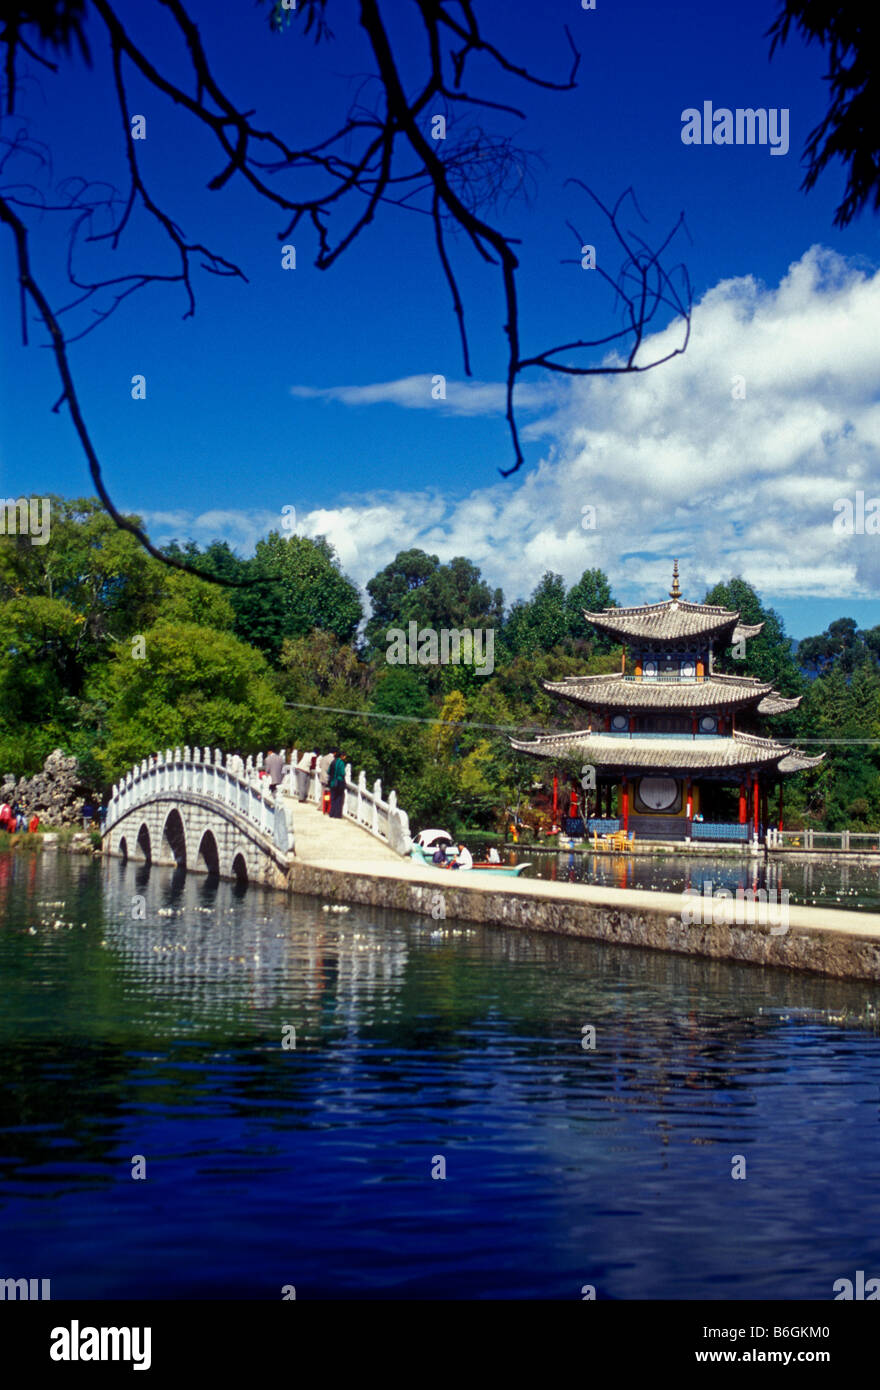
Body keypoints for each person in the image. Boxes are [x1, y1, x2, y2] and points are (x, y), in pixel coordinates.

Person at [328, 750, 347, 819]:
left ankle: (331, 813)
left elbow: (328, 771)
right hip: (339, 782)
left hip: (332, 782)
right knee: (339, 798)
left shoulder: (333, 761)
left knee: (333, 798)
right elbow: (343, 773)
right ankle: (337, 814)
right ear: (342, 756)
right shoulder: (341, 763)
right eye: (345, 756)